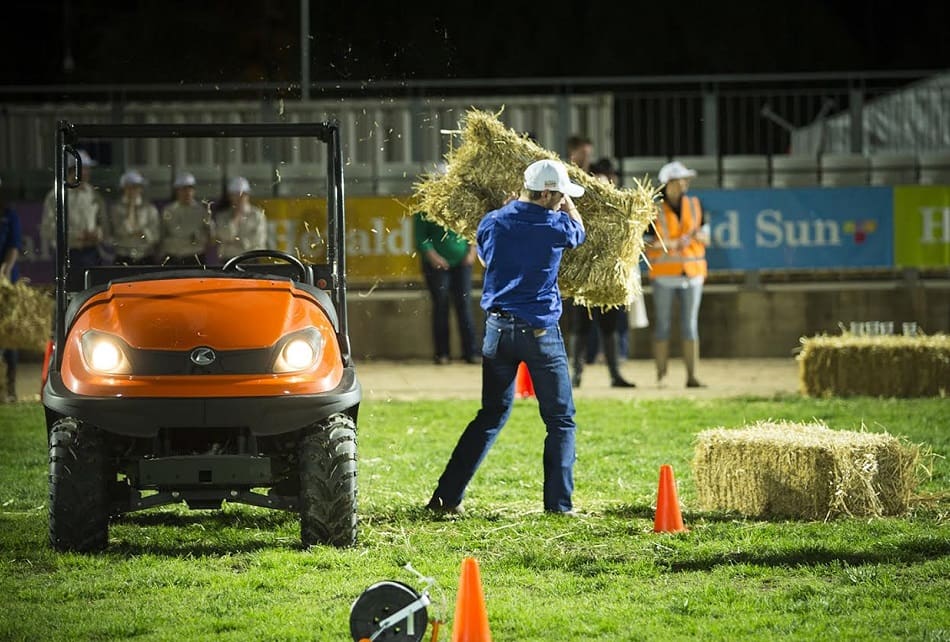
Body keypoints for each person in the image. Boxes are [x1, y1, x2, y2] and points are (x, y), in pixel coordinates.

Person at [426, 159, 586, 516]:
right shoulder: (556, 224)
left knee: (490, 415)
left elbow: (486, 257)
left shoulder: (493, 221)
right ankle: (559, 506)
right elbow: (579, 233)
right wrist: (569, 207)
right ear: (546, 193)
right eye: (559, 195)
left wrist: (512, 209)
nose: (562, 201)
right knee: (560, 420)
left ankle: (445, 498)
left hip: (497, 331)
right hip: (541, 333)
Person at [645, 160, 710, 388]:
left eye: (685, 179)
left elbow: (706, 234)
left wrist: (702, 237)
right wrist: (669, 244)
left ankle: (692, 377)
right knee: (663, 325)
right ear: (667, 184)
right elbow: (645, 244)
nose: (683, 183)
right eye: (679, 180)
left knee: (690, 325)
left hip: (692, 274)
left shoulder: (695, 204)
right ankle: (661, 376)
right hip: (664, 276)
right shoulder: (653, 210)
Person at [413, 208, 479, 365]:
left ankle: (471, 352)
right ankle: (442, 353)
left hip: (462, 264)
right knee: (441, 306)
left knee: (464, 306)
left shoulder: (460, 203)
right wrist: (434, 258)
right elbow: (421, 238)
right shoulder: (424, 209)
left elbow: (472, 231)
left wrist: (471, 252)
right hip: (437, 266)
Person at [41, 148, 106, 270]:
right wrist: (76, 235)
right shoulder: (56, 196)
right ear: (73, 169)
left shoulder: (93, 194)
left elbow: (102, 223)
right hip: (67, 253)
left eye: (87, 169)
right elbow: (47, 228)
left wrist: (98, 233)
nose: (87, 172)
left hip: (92, 253)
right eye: (84, 168)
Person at [104, 169, 161, 265]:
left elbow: (155, 234)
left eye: (136, 187)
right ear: (124, 188)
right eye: (129, 187)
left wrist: (143, 233)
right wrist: (130, 207)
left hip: (145, 255)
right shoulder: (116, 209)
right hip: (123, 255)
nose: (133, 191)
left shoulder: (150, 209)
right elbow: (120, 231)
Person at [159, 171, 213, 266]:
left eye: (189, 189)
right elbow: (162, 234)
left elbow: (211, 235)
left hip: (195, 257)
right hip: (174, 256)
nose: (187, 193)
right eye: (183, 189)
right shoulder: (169, 210)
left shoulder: (202, 210)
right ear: (177, 191)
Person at [1, 178, 22, 402]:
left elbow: (14, 247)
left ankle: (11, 388)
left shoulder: (10, 215)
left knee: (9, 336)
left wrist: (5, 270)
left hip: (6, 282)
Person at [214, 176, 267, 262]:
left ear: (247, 195)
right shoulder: (222, 216)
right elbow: (225, 235)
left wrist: (235, 242)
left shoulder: (257, 215)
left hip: (251, 259)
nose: (239, 198)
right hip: (228, 259)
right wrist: (236, 217)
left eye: (242, 195)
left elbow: (258, 240)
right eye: (235, 195)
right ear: (230, 197)